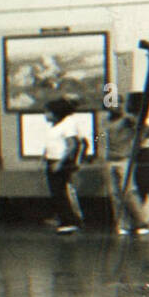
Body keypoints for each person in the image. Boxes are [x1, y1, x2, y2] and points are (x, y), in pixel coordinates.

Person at [43, 98, 87, 234]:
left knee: (61, 192)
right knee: (56, 192)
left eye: (47, 112)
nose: (45, 115)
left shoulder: (67, 124)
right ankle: (64, 218)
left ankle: (70, 221)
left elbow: (72, 145)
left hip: (60, 162)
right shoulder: (55, 126)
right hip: (52, 160)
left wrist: (60, 163)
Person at [104, 108, 149, 235]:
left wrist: (136, 144)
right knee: (115, 194)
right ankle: (123, 224)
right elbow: (100, 137)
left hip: (123, 160)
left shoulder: (127, 119)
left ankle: (141, 222)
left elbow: (147, 129)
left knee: (129, 191)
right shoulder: (106, 120)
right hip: (110, 160)